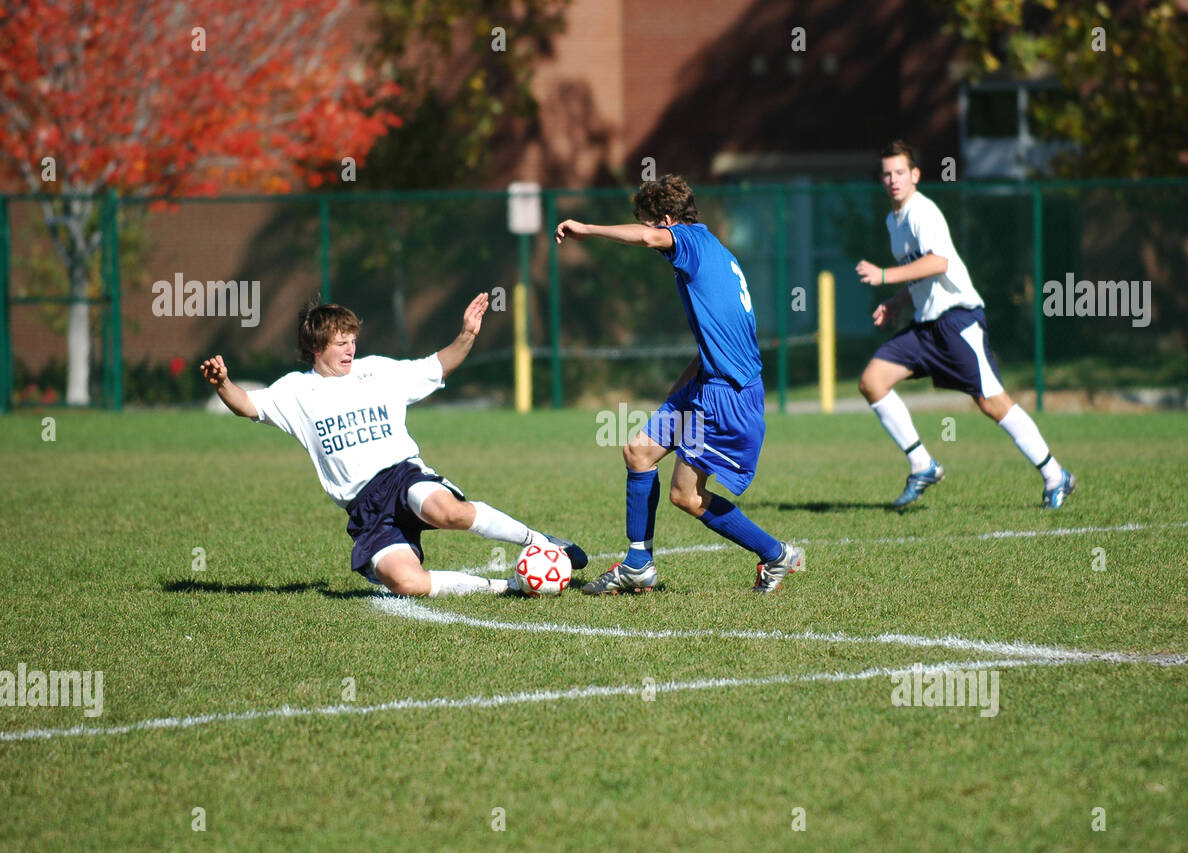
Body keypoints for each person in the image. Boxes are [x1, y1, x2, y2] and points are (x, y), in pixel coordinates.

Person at [198, 293, 587, 597]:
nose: (350, 349)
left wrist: (467, 335)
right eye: (340, 343)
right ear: (316, 347)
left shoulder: (377, 371)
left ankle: (540, 541)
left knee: (442, 509)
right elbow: (247, 404)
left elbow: (438, 365)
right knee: (407, 584)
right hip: (366, 509)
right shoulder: (295, 391)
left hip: (402, 476)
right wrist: (223, 385)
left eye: (352, 341)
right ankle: (509, 586)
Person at [554, 174, 805, 594]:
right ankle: (638, 564)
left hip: (729, 393)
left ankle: (777, 555)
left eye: (649, 222)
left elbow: (651, 240)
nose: (648, 234)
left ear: (666, 221)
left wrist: (589, 229)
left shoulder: (687, 240)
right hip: (707, 382)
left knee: (686, 495)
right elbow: (722, 330)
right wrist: (685, 381)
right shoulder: (714, 252)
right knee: (638, 451)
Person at [855, 140, 1077, 509]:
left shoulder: (922, 212)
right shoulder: (892, 221)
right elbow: (920, 275)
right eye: (886, 174)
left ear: (915, 176)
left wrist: (884, 275)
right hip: (926, 328)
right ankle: (922, 464)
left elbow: (938, 262)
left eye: (900, 172)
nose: (893, 180)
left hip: (957, 321)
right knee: (872, 382)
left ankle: (1057, 475)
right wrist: (898, 301)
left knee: (992, 403)